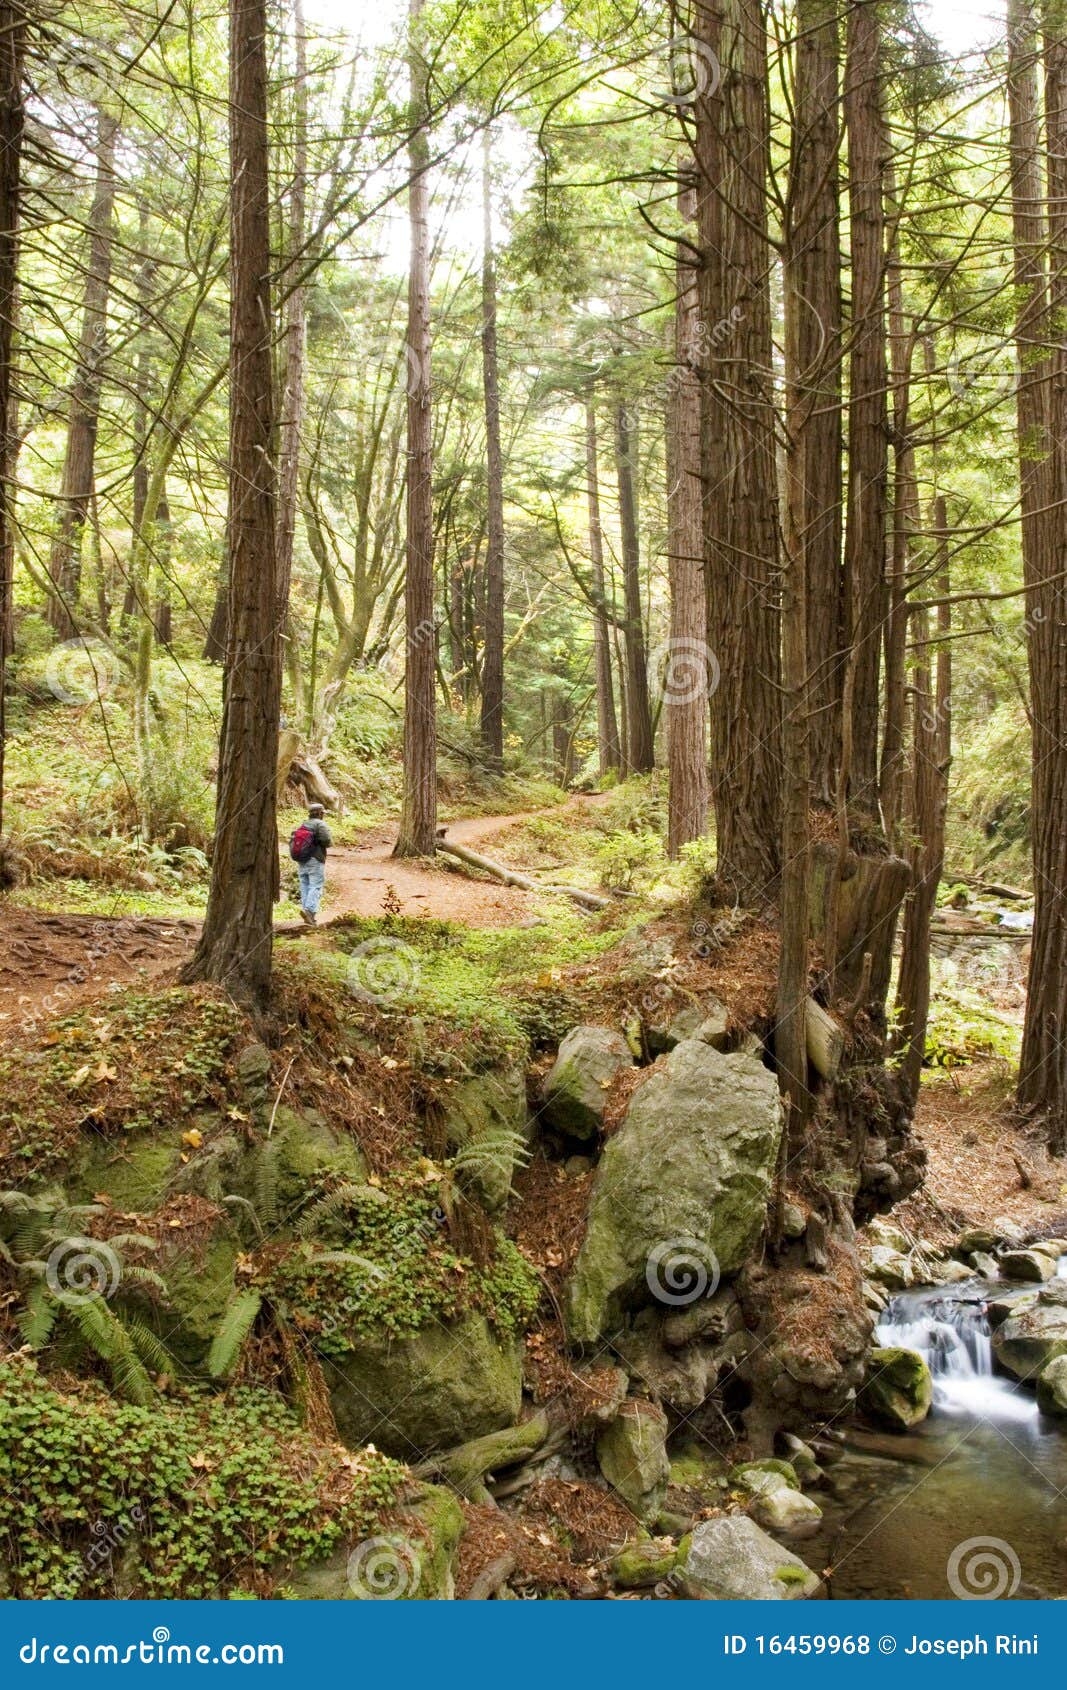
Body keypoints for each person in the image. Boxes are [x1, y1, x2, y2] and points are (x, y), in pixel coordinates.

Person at [289, 802, 332, 926]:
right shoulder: (320, 824)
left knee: (305, 884)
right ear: (320, 813)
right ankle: (310, 911)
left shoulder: (303, 824)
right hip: (315, 859)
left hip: (302, 860)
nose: (323, 815)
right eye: (323, 813)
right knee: (316, 885)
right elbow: (327, 841)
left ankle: (307, 911)